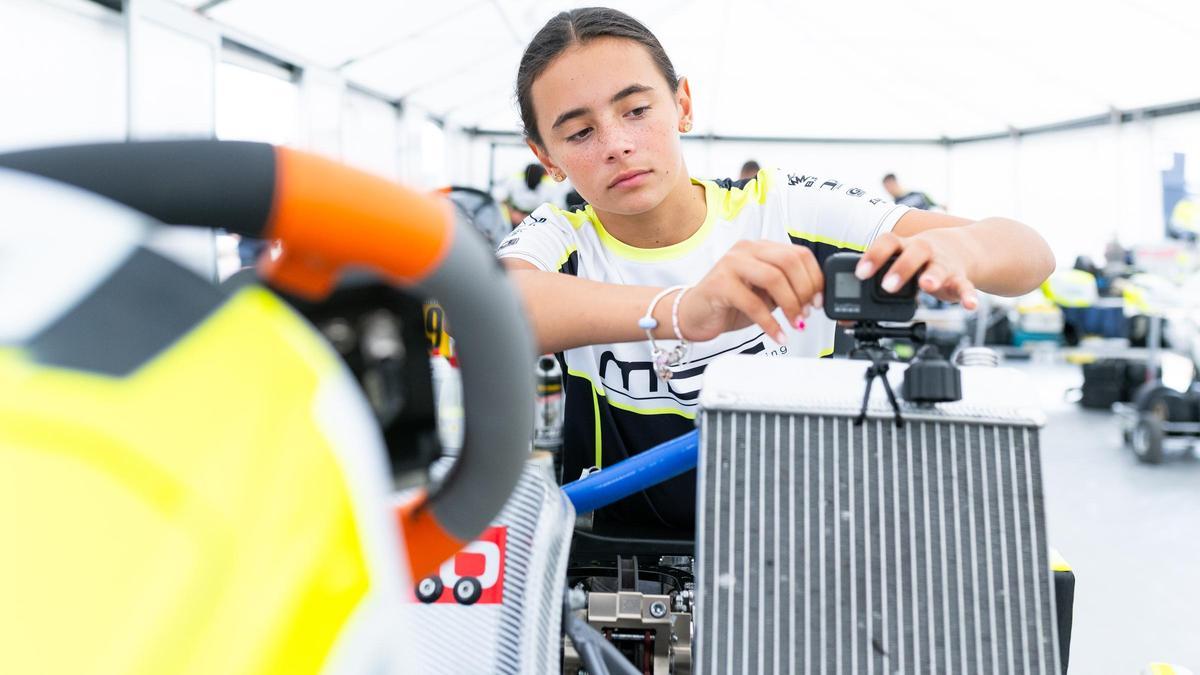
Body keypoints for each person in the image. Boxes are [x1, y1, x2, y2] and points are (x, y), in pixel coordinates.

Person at [498, 7, 1055, 529]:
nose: (617, 144)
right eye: (580, 132)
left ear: (683, 104)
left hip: (810, 541)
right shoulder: (560, 236)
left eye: (637, 110)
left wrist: (961, 250)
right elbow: (484, 313)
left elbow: (1030, 254)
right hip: (615, 565)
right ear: (546, 156)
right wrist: (680, 310)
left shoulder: (783, 208)